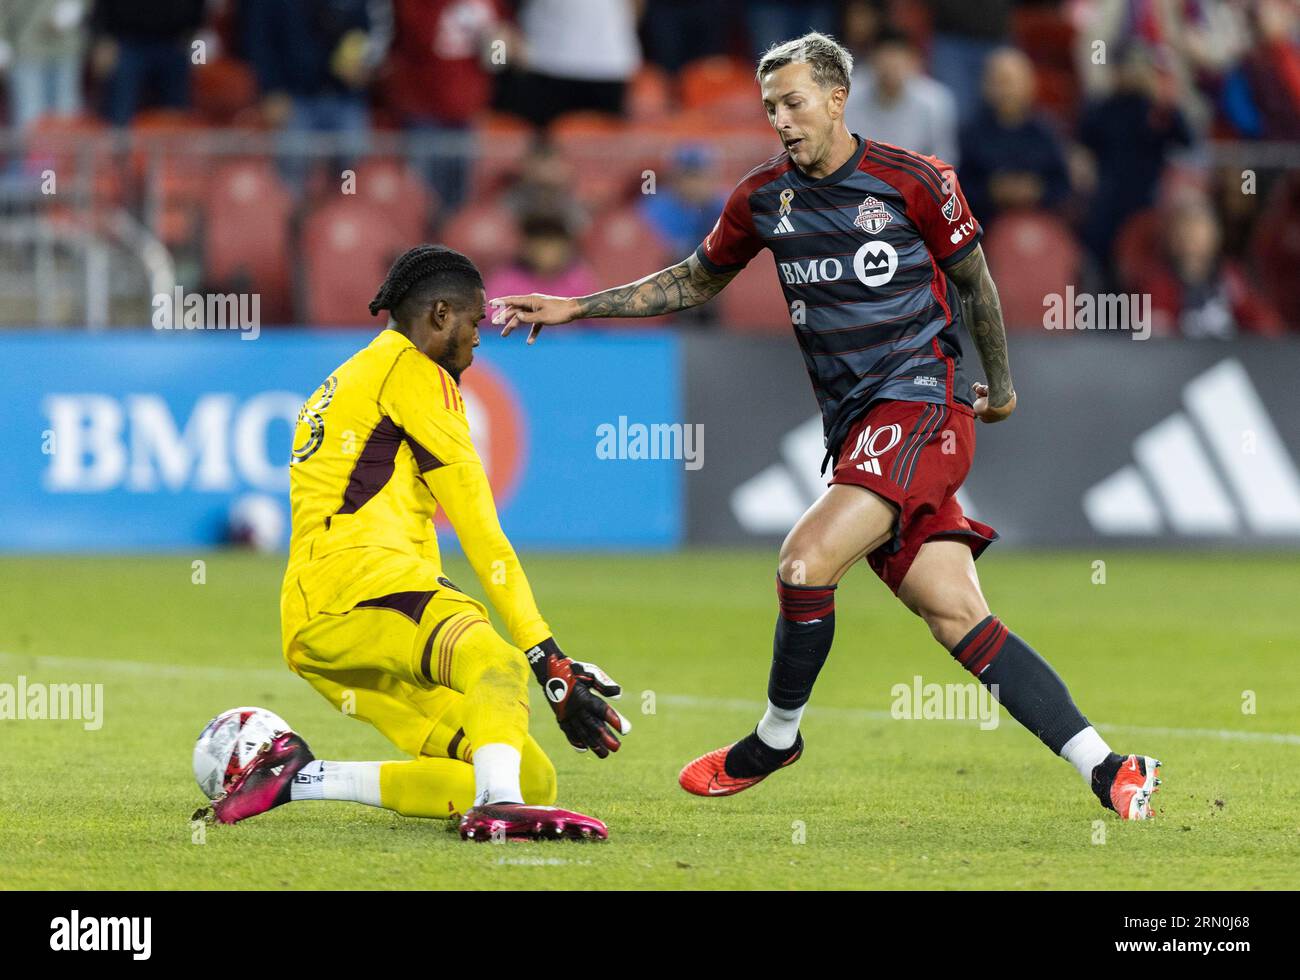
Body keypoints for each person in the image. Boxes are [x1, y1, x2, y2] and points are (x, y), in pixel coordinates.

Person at [490, 33, 1163, 821]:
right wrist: (581, 304)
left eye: (795, 102)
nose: (781, 118)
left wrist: (1003, 386)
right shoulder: (762, 198)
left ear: (837, 99)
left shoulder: (915, 180)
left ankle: (778, 736)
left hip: (924, 404)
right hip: (856, 427)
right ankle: (1109, 767)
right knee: (955, 614)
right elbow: (695, 279)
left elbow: (974, 281)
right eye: (771, 105)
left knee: (805, 563)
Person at [200, 245, 630, 841]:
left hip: (324, 619)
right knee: (498, 659)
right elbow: (483, 535)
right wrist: (548, 660)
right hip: (363, 589)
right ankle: (497, 806)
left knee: (531, 776)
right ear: (439, 314)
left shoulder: (349, 377)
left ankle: (296, 777)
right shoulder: (416, 375)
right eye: (474, 323)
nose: (478, 341)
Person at [958, 47, 1070, 223]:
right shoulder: (971, 132)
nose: (1004, 90)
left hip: (1037, 225)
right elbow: (958, 187)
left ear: (1029, 84)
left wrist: (1036, 190)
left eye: (1010, 81)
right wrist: (992, 191)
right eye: (997, 82)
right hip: (983, 227)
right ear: (985, 85)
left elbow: (1063, 186)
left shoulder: (1046, 131)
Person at [845, 24, 959, 166]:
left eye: (898, 57)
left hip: (913, 182)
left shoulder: (936, 102)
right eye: (885, 57)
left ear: (914, 61)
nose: (891, 65)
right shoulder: (846, 96)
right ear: (871, 59)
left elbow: (943, 162)